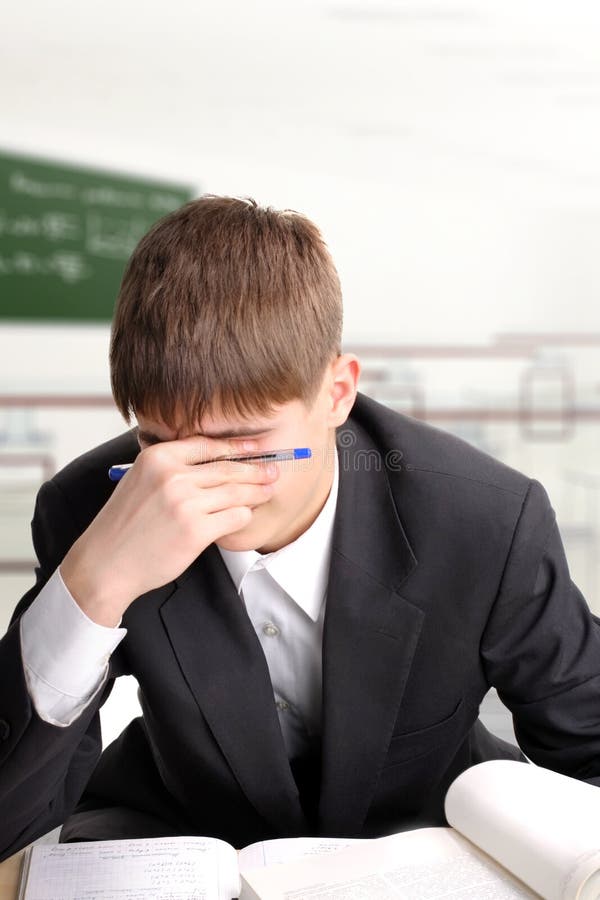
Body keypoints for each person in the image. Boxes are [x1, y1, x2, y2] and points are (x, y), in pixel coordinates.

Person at [1, 196, 599, 862]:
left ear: (336, 393)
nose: (195, 486)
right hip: (177, 841)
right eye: (161, 442)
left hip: (432, 849)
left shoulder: (485, 520)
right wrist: (92, 587)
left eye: (245, 443)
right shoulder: (90, 508)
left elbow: (590, 745)